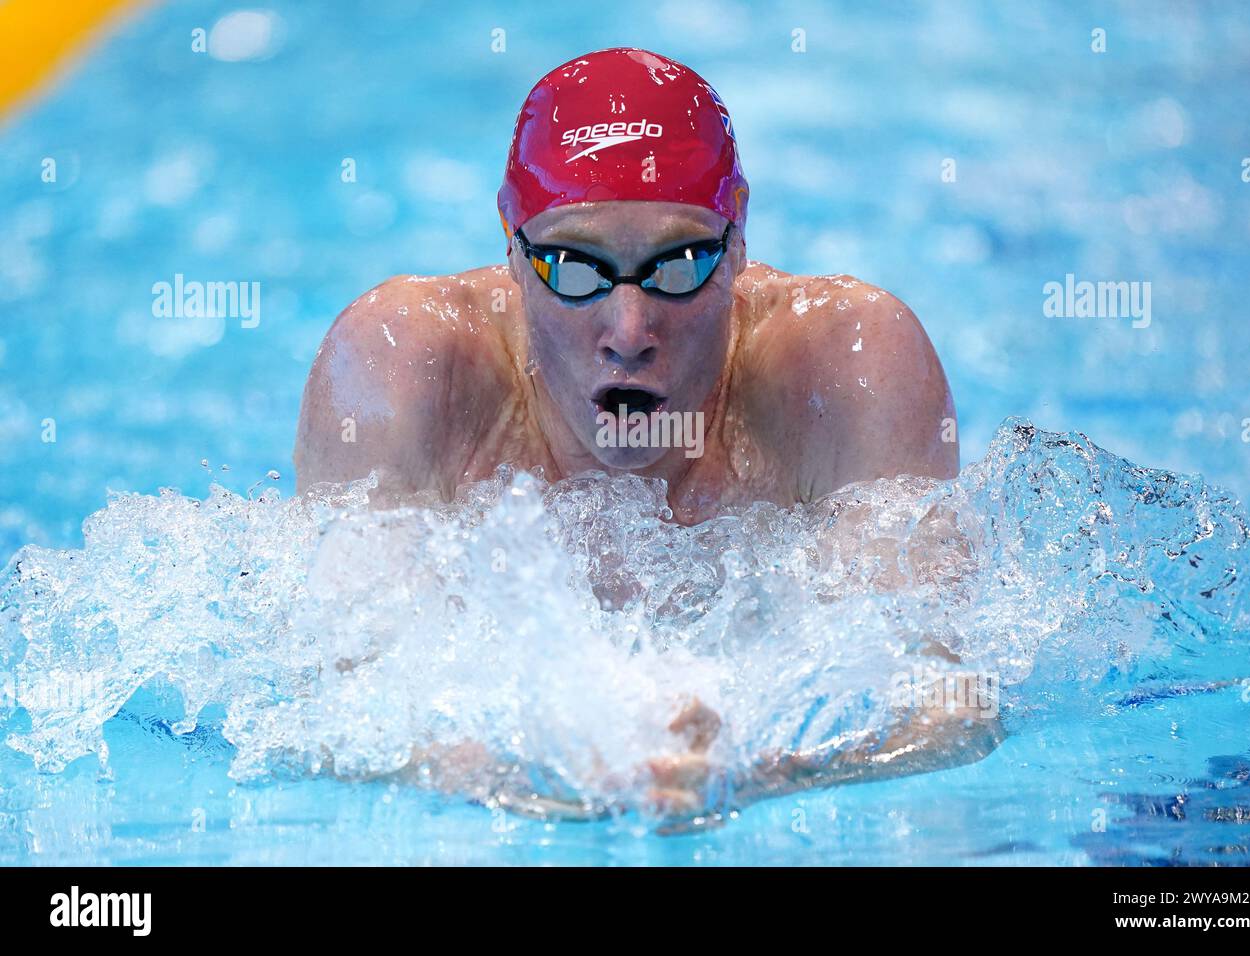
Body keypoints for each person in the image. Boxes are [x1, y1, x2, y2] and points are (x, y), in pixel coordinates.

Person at [295, 48, 992, 824]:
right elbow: (336, 705)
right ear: (511, 245)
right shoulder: (401, 366)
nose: (629, 330)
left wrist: (762, 776)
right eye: (573, 265)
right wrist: (525, 777)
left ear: (739, 240)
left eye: (680, 262)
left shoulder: (849, 367)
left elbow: (950, 703)